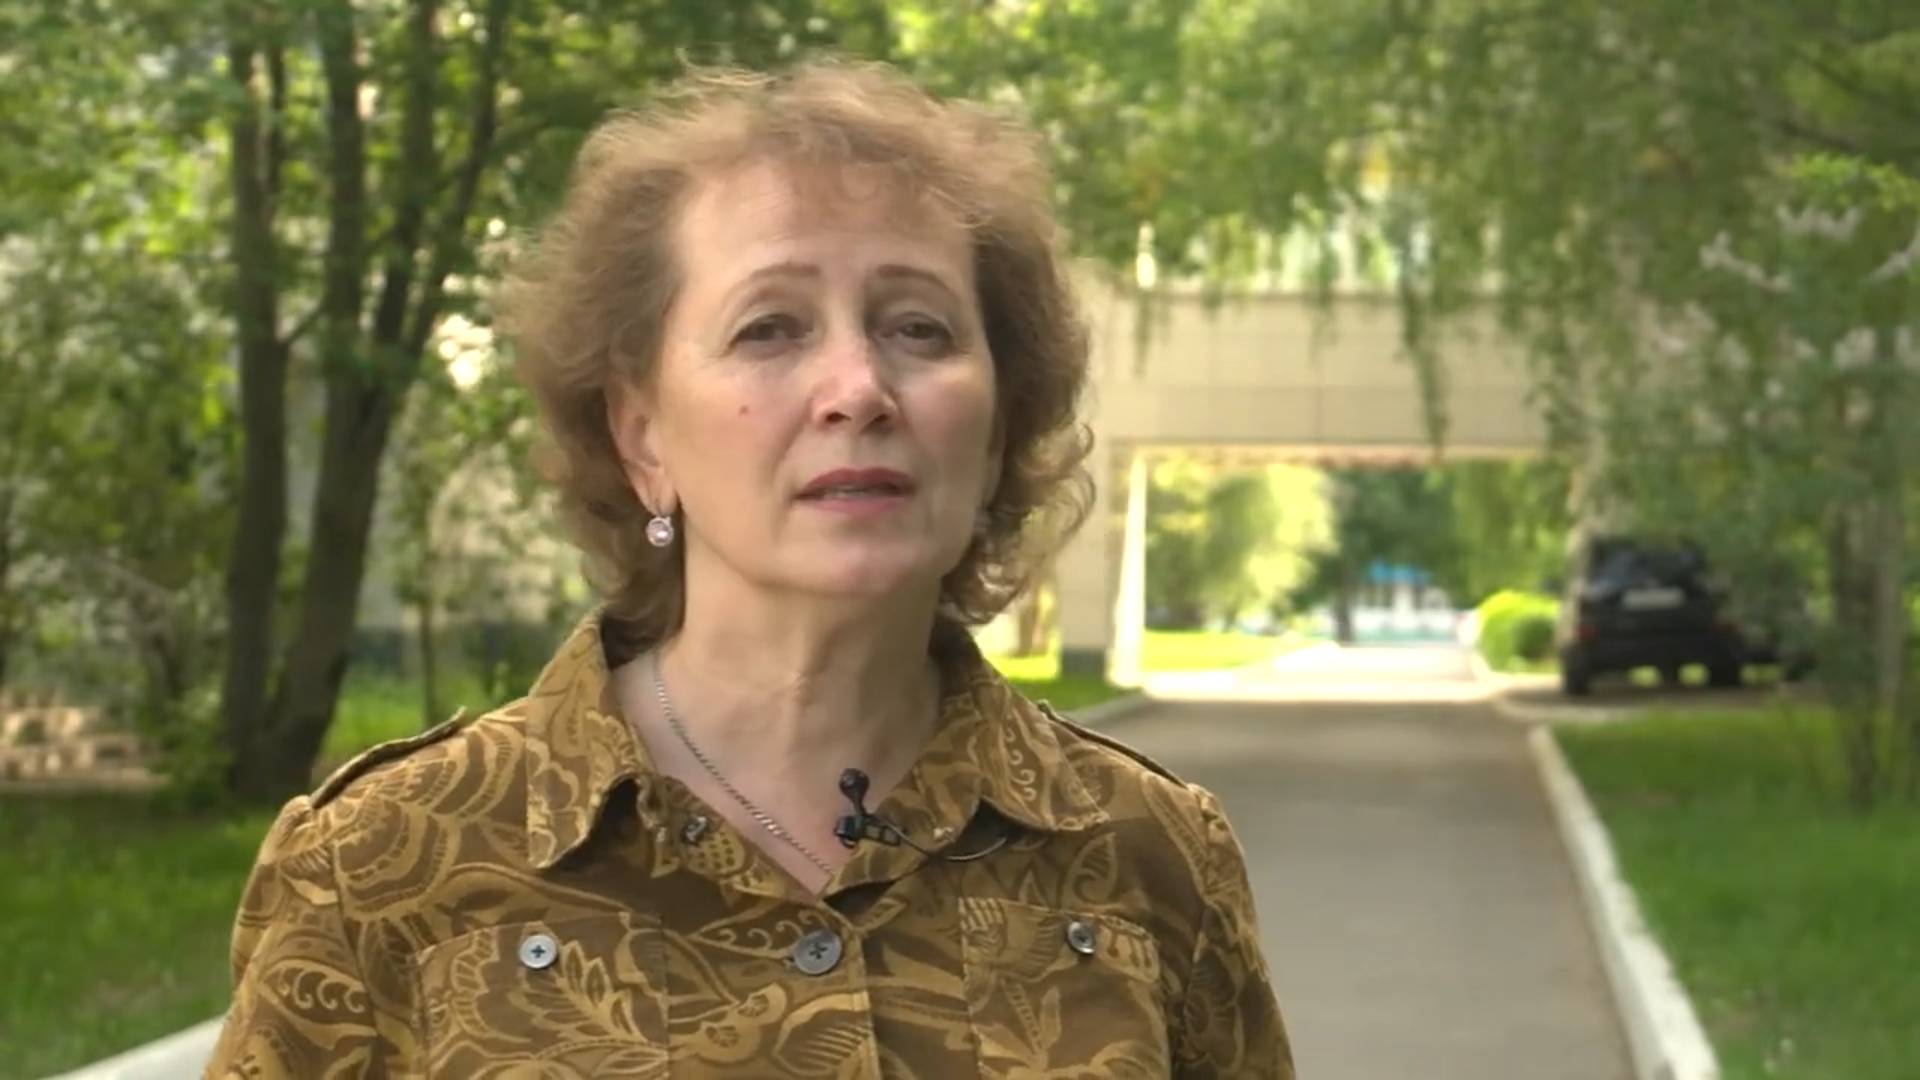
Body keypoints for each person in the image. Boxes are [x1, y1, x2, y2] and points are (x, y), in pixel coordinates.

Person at [207, 60, 1291, 1078]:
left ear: (999, 430)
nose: (858, 389)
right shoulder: (380, 868)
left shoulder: (1151, 858)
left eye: (919, 328)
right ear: (641, 436)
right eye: (770, 328)